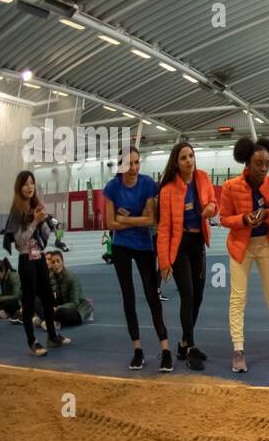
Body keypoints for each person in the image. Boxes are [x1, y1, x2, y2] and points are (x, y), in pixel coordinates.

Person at [221, 136, 269, 373]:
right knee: (238, 299)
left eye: (267, 163)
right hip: (240, 246)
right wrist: (244, 219)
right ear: (247, 162)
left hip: (268, 244)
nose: (263, 168)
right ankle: (238, 351)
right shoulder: (230, 186)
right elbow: (224, 219)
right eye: (258, 163)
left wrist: (266, 216)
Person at [103, 147, 170, 371]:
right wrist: (135, 220)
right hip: (121, 246)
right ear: (121, 165)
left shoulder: (147, 183)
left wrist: (126, 219)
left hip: (143, 245)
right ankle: (138, 350)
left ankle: (165, 349)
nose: (133, 168)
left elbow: (151, 219)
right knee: (128, 297)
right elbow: (110, 224)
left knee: (152, 296)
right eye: (129, 164)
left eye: (137, 163)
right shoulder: (112, 187)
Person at [157, 140, 216, 370]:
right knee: (188, 296)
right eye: (183, 158)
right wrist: (164, 262)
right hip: (179, 246)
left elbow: (213, 201)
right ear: (176, 162)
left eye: (191, 156)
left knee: (198, 297)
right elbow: (163, 228)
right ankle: (190, 348)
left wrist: (212, 208)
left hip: (198, 243)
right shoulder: (168, 190)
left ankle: (183, 343)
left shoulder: (202, 178)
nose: (189, 161)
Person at [3, 172, 69, 356]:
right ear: (19, 187)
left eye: (32, 183)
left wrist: (47, 224)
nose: (30, 187)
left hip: (39, 258)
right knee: (29, 302)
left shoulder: (36, 206)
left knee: (48, 299)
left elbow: (44, 240)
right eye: (25, 184)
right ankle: (32, 341)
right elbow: (20, 241)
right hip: (26, 260)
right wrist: (34, 222)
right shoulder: (16, 211)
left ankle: (52, 336)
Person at [36, 250, 93, 327]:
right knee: (37, 299)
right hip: (59, 306)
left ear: (62, 262)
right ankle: (50, 321)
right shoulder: (51, 277)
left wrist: (57, 308)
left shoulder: (71, 278)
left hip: (76, 310)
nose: (56, 264)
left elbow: (75, 303)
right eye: (53, 262)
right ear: (51, 265)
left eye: (58, 261)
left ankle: (48, 320)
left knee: (60, 312)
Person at [0, 257, 23, 322]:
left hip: (18, 302)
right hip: (8, 299)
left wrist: (1, 298)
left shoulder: (13, 277)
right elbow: (5, 293)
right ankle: (6, 312)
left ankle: (11, 313)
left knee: (6, 303)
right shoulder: (2, 279)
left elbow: (16, 296)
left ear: (3, 270)